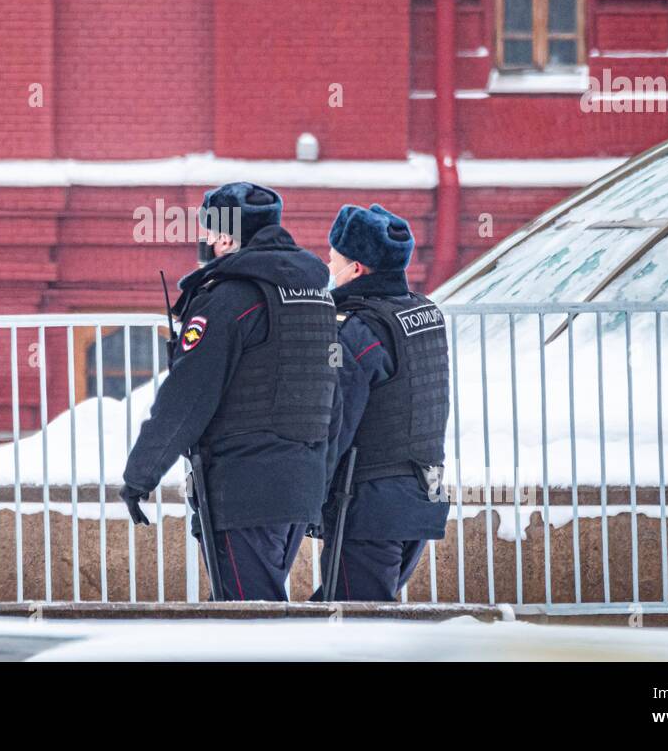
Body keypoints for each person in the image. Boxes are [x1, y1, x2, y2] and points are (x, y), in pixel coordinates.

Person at [120, 182, 338, 601]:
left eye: (210, 231)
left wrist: (140, 475)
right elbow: (334, 396)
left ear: (225, 236)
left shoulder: (228, 300)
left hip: (244, 487)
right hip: (300, 484)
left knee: (251, 624)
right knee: (264, 615)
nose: (206, 240)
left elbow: (187, 396)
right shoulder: (317, 298)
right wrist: (322, 482)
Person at [312, 203, 451, 602]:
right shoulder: (424, 313)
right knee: (353, 610)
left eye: (333, 255)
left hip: (369, 505)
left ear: (356, 268)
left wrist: (309, 498)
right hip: (421, 496)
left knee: (356, 625)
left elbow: (335, 423)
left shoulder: (357, 329)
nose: (328, 261)